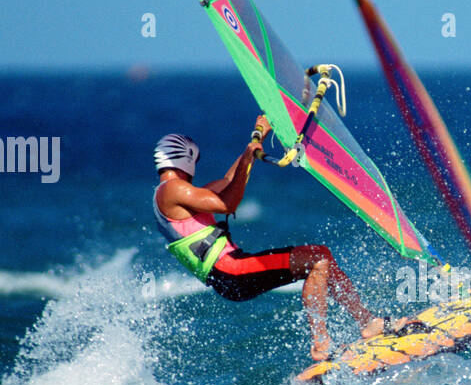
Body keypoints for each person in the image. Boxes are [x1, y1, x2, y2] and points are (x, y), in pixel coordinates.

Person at [152, 121, 413, 360]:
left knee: (321, 256)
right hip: (230, 268)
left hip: (228, 274)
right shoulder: (173, 189)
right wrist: (248, 157)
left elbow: (229, 181)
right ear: (186, 157)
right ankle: (322, 344)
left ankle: (367, 322)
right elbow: (228, 202)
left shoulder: (176, 194)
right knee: (318, 259)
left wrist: (253, 145)